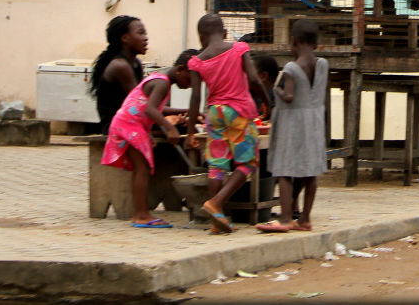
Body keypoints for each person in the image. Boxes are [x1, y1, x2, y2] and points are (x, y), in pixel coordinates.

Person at [185, 14, 270, 233]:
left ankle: (217, 219)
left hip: (214, 113)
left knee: (217, 165)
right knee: (248, 163)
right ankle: (217, 202)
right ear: (223, 32)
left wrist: (190, 131)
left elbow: (195, 98)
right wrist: (267, 101)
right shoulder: (239, 48)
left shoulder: (196, 61)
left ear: (201, 36)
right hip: (239, 111)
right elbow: (253, 79)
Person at [100, 48, 197, 228]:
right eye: (190, 79)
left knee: (141, 169)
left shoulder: (161, 80)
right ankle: (141, 215)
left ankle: (141, 213)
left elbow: (155, 107)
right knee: (142, 169)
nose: (191, 85)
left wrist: (187, 112)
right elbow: (150, 110)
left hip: (130, 124)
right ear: (180, 70)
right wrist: (170, 128)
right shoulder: (162, 83)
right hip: (130, 125)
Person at [257, 19, 329, 233]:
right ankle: (305, 218)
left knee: (284, 170)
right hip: (315, 122)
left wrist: (275, 90)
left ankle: (286, 217)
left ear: (294, 42)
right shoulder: (322, 64)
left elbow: (289, 96)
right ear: (316, 44)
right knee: (310, 172)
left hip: (293, 123)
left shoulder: (291, 68)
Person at [89, 15, 148, 130]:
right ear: (125, 38)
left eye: (145, 33)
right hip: (116, 126)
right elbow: (140, 102)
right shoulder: (120, 66)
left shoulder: (136, 63)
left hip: (131, 120)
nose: (146, 38)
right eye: (141, 33)